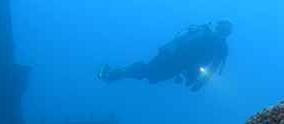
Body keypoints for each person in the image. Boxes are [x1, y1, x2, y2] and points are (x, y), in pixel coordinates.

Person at [99, 21, 232, 91]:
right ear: (219, 28)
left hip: (178, 66)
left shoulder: (220, 47)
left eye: (225, 31)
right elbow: (181, 43)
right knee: (147, 72)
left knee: (149, 75)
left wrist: (200, 81)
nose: (222, 32)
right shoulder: (204, 34)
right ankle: (114, 74)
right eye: (222, 29)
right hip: (170, 59)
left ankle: (115, 74)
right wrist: (199, 79)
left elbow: (214, 67)